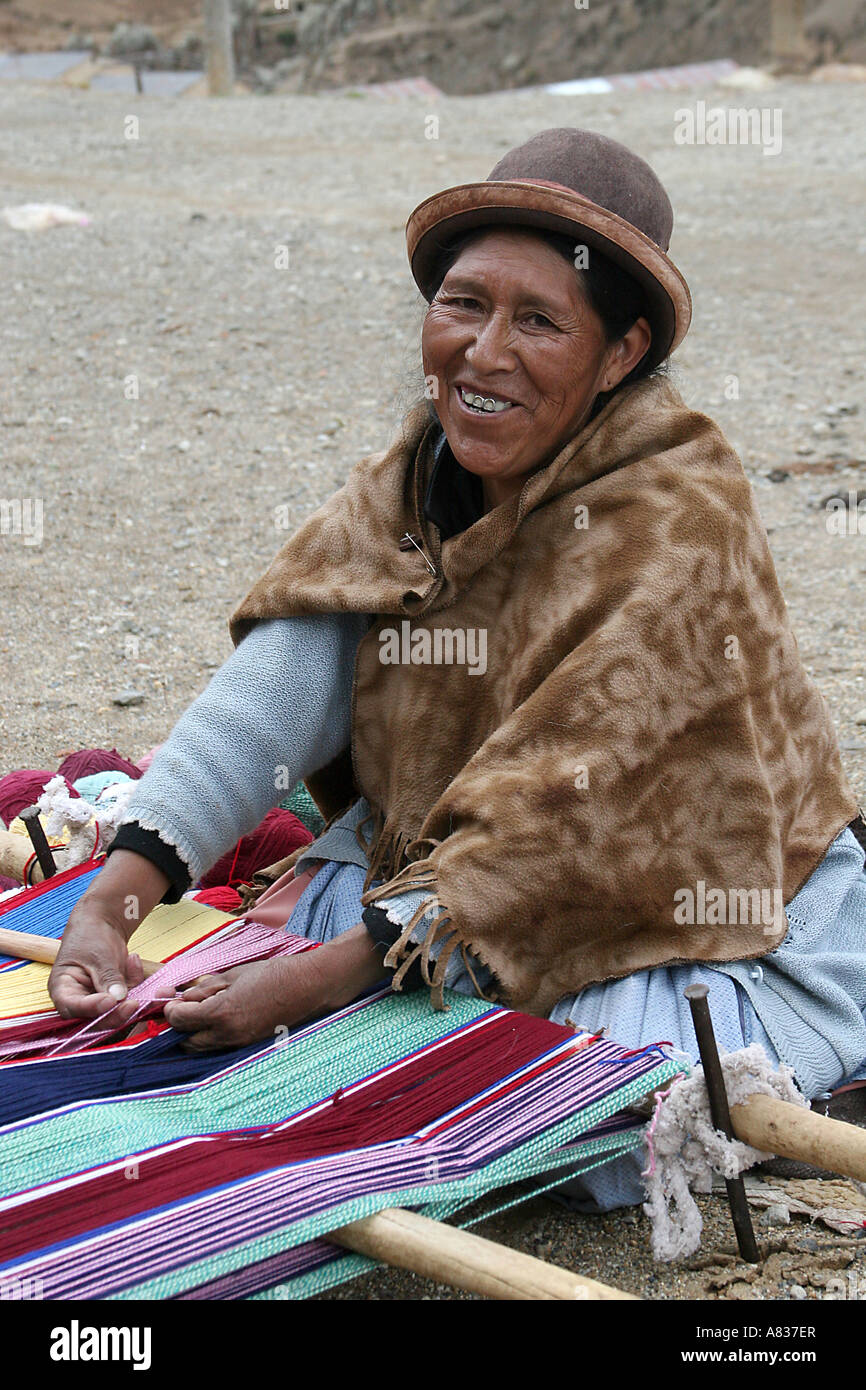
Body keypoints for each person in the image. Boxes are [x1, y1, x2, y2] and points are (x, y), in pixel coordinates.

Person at [49, 128, 866, 1206]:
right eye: (463, 305)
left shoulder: (678, 518)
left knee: (568, 1106)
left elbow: (577, 813)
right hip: (442, 884)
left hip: (679, 912)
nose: (484, 353)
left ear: (618, 355)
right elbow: (280, 689)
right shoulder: (411, 480)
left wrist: (312, 983)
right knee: (334, 1040)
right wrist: (114, 898)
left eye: (538, 322)